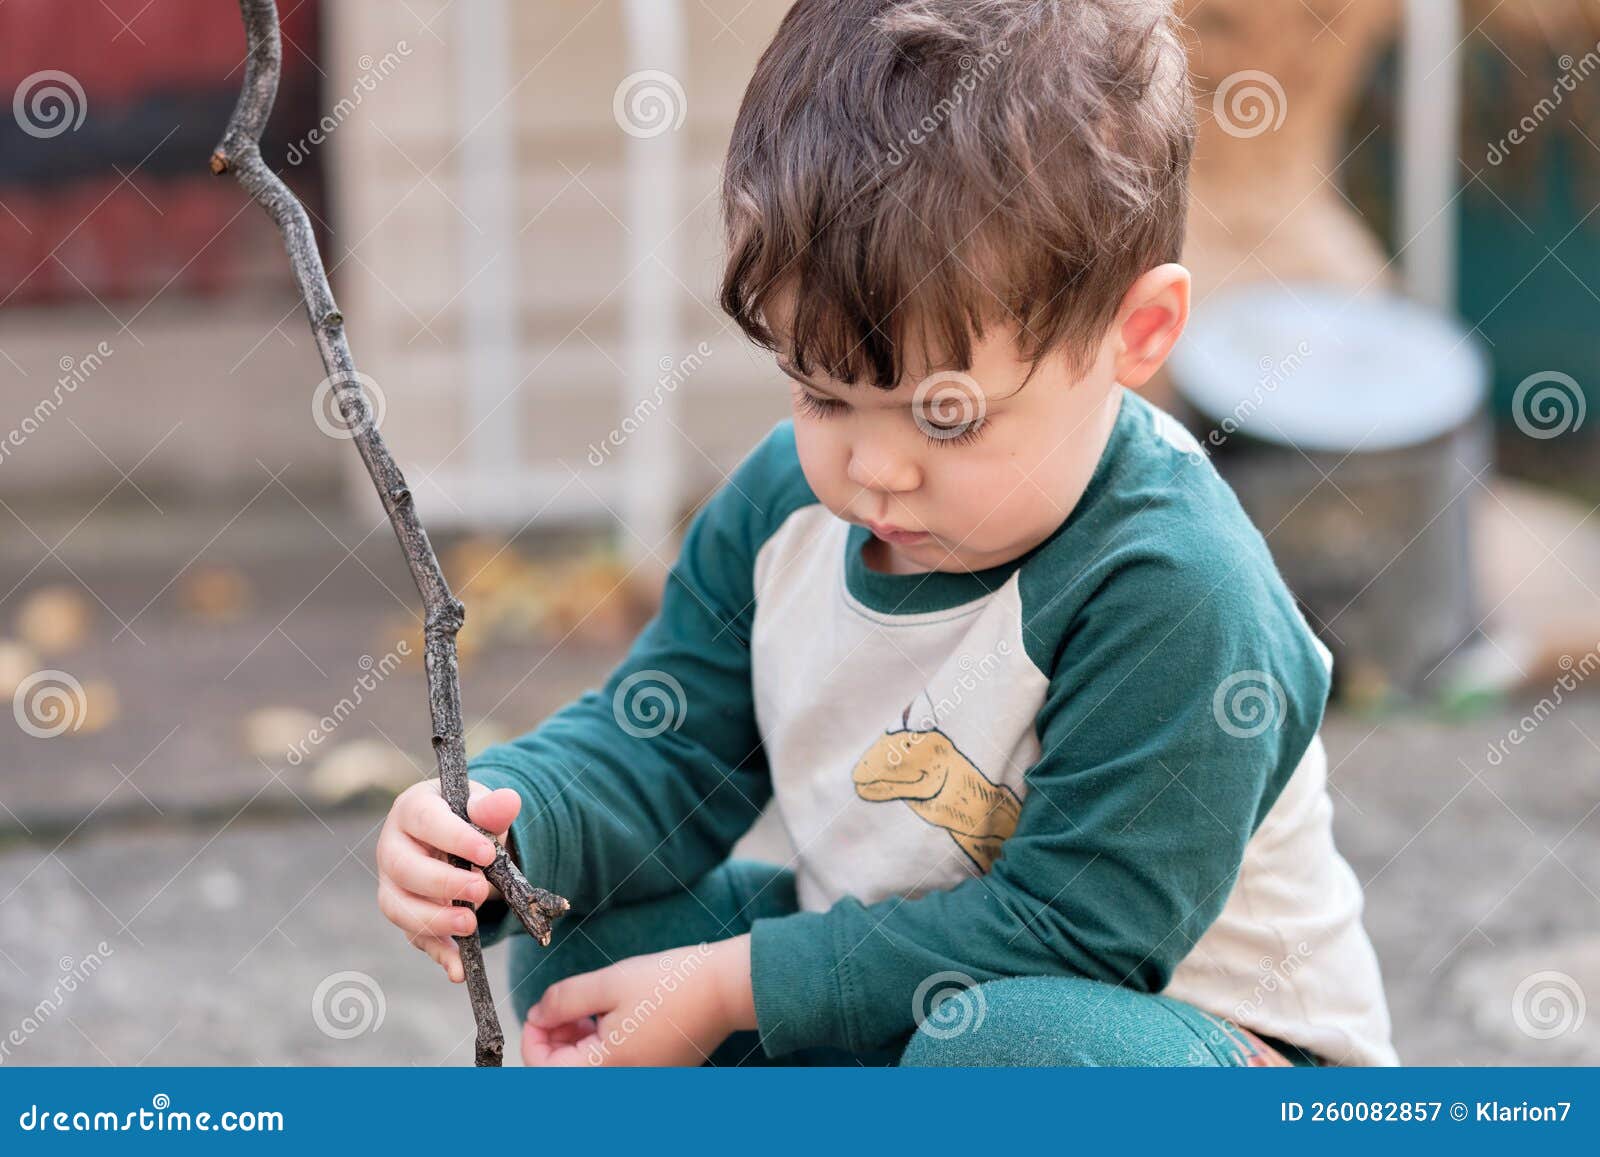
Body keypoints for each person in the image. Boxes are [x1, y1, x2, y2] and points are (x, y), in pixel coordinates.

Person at [376, 0, 1397, 1068]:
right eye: (821, 394)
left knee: (1003, 1051)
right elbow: (665, 742)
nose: (874, 467)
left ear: (1131, 333)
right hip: (915, 1003)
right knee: (592, 943)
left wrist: (732, 986)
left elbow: (1079, 936)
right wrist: (500, 834)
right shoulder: (789, 508)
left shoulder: (1174, 585)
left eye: (946, 412)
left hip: (1181, 1047)